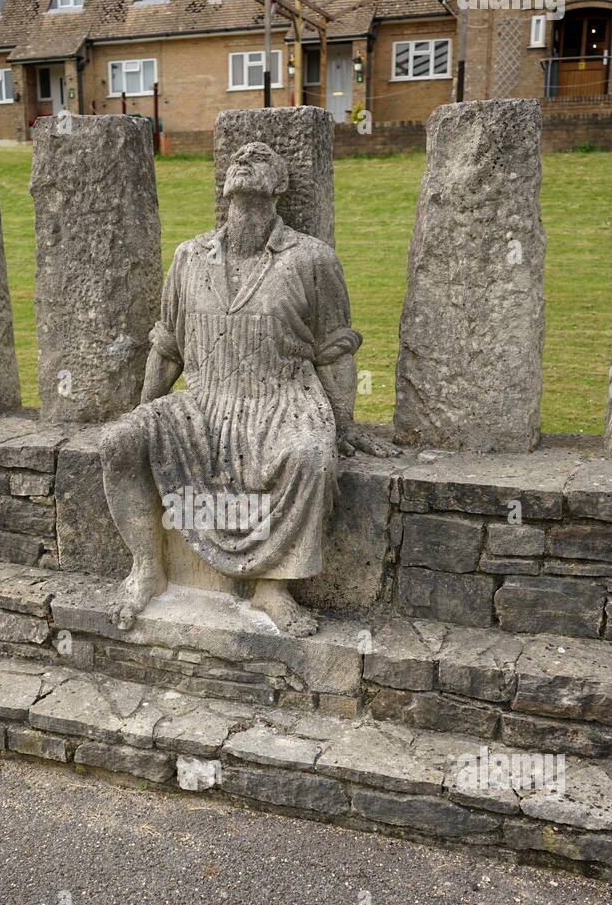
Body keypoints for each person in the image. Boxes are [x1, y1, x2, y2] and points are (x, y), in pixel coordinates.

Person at [101, 140, 394, 636]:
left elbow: (334, 350)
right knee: (119, 441)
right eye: (239, 155)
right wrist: (144, 413)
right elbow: (169, 345)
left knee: (308, 455)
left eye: (261, 155)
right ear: (225, 184)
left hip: (283, 399)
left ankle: (273, 591)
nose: (247, 155)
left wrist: (344, 425)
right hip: (205, 400)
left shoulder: (311, 259)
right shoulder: (189, 257)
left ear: (280, 183)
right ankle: (146, 569)